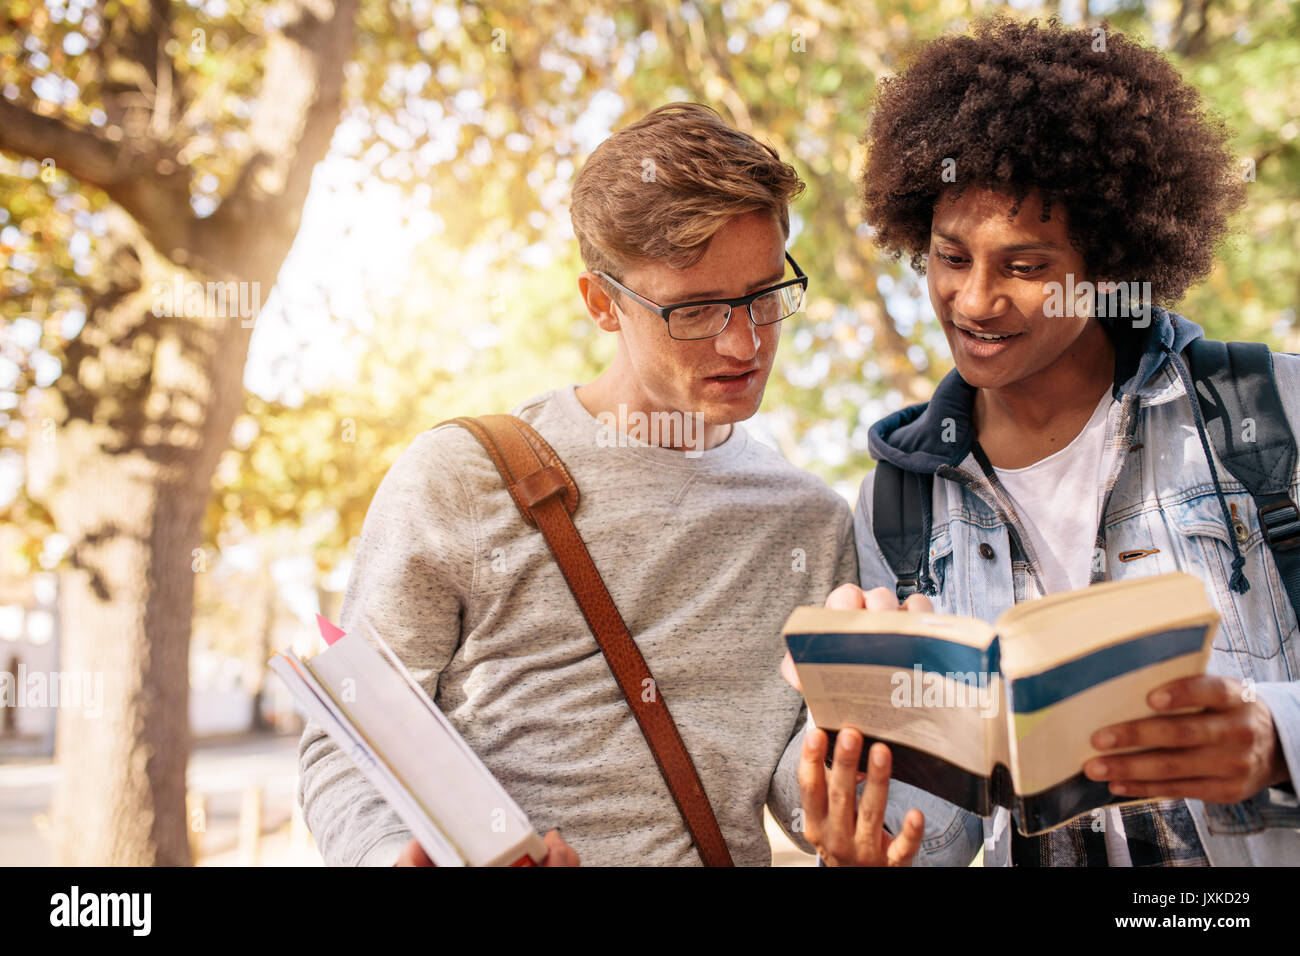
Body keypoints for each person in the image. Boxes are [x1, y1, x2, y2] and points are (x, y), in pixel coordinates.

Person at [797, 16, 1300, 866]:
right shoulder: (895, 502)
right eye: (950, 258)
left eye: (1025, 268)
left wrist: (1277, 734)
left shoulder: (1266, 408)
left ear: (1108, 265)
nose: (975, 301)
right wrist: (868, 843)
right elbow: (942, 826)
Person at [298, 103, 858, 866]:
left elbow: (798, 799)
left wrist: (854, 785)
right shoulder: (463, 477)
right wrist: (388, 856)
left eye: (764, 296)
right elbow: (347, 738)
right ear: (602, 303)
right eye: (694, 311)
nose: (744, 341)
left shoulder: (813, 524)